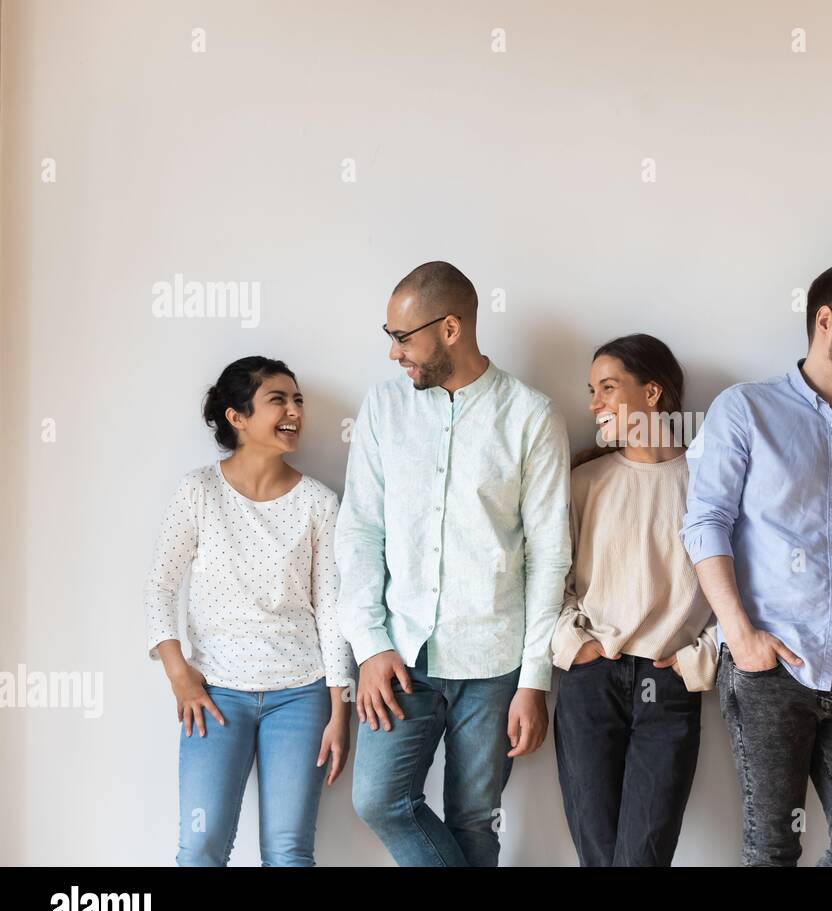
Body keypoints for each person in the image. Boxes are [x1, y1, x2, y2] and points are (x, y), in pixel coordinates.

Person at [339, 260, 570, 867]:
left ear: (450, 328)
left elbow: (549, 557)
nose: (393, 354)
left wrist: (534, 681)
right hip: (400, 656)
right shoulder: (384, 410)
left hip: (494, 662)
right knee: (380, 799)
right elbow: (359, 531)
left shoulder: (531, 416)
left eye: (402, 337)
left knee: (475, 823)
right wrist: (368, 646)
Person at [681, 262, 832, 866]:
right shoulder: (745, 410)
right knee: (773, 848)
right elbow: (705, 523)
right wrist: (739, 634)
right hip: (770, 668)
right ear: (824, 320)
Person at [144, 356, 353, 866]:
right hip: (214, 693)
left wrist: (339, 711)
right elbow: (159, 586)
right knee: (201, 847)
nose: (294, 412)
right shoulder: (198, 492)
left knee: (288, 852)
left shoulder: (320, 504)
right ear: (237, 417)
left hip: (301, 697)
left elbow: (332, 610)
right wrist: (178, 674)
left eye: (298, 400)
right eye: (278, 400)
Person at [551, 334, 717, 866]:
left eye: (607, 387)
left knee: (641, 858)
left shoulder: (708, 484)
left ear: (652, 393)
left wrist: (697, 660)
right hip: (591, 682)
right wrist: (572, 645)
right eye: (590, 390)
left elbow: (742, 594)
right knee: (598, 857)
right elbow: (550, 581)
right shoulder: (583, 482)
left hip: (669, 686)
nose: (593, 402)